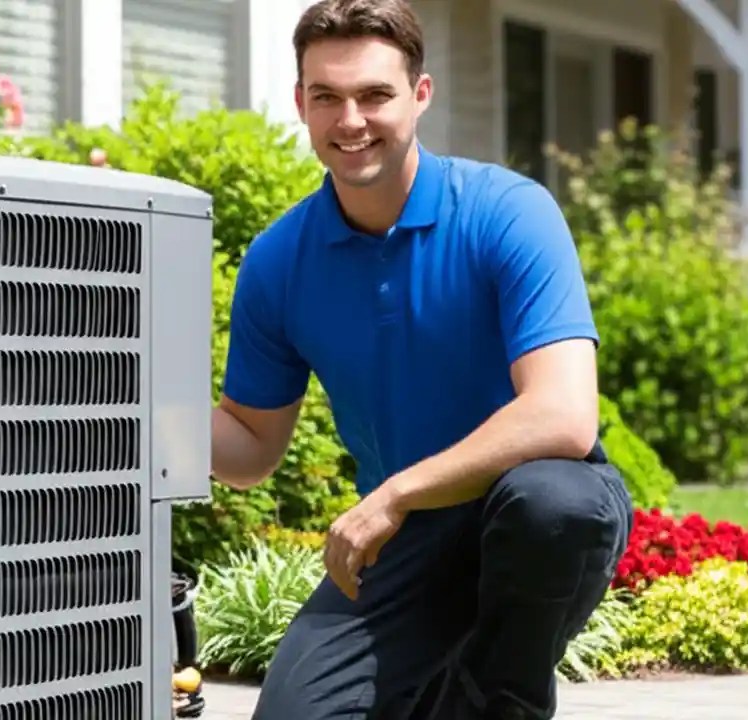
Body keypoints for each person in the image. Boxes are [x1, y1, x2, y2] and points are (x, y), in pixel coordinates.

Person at [208, 1, 633, 718]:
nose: (351, 120)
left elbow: (564, 416)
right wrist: (136, 406)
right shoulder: (279, 260)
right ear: (301, 105)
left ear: (420, 94)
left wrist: (396, 493)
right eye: (327, 97)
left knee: (551, 504)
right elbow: (250, 448)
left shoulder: (507, 211)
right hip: (406, 539)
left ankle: (499, 703)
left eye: (375, 94)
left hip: (528, 508)